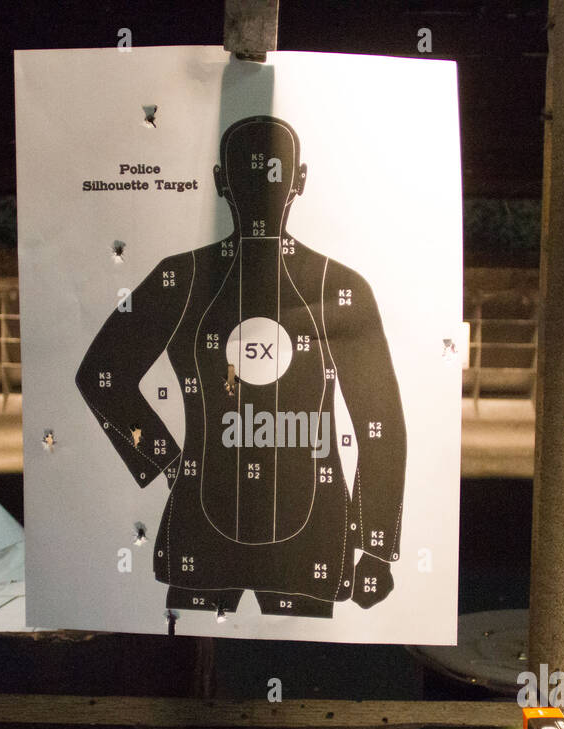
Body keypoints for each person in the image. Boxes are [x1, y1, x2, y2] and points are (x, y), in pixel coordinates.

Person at [76, 116, 406, 618]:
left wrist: (167, 460)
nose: (265, 184)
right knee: (287, 689)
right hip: (297, 537)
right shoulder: (336, 286)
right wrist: (376, 547)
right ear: (302, 179)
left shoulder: (184, 279)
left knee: (201, 682)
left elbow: (102, 377)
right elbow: (380, 430)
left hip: (222, 531)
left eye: (271, 171)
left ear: (217, 180)